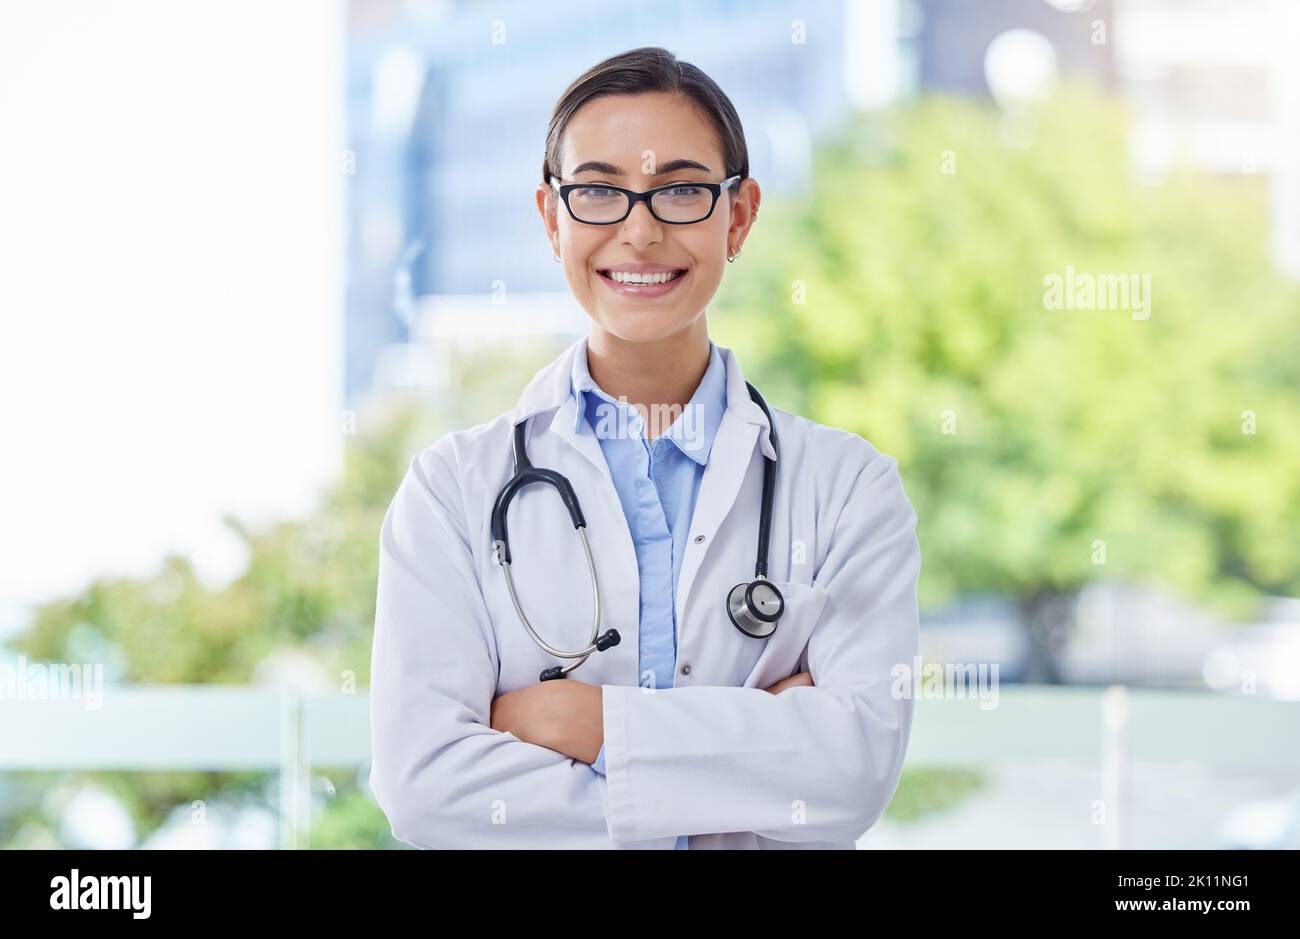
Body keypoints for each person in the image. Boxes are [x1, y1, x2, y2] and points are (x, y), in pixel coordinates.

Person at [369, 46, 921, 849]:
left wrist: (583, 722)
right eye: (597, 191)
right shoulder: (452, 491)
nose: (639, 229)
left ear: (737, 216)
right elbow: (425, 792)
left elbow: (851, 773)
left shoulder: (846, 487)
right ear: (551, 217)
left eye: (682, 190)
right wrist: (748, 756)